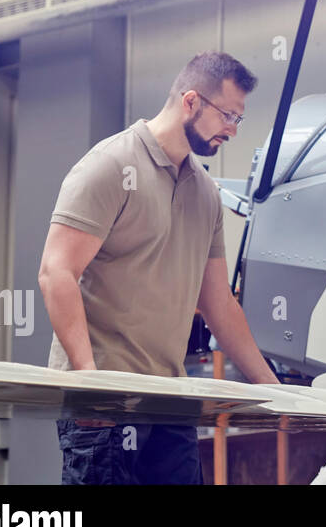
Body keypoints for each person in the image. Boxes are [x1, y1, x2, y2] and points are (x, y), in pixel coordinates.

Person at [38, 51, 280, 485]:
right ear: (190, 102)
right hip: (106, 404)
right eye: (227, 114)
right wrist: (90, 379)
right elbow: (57, 272)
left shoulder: (206, 194)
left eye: (238, 119)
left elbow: (220, 304)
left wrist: (272, 389)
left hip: (170, 401)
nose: (232, 128)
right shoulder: (110, 165)